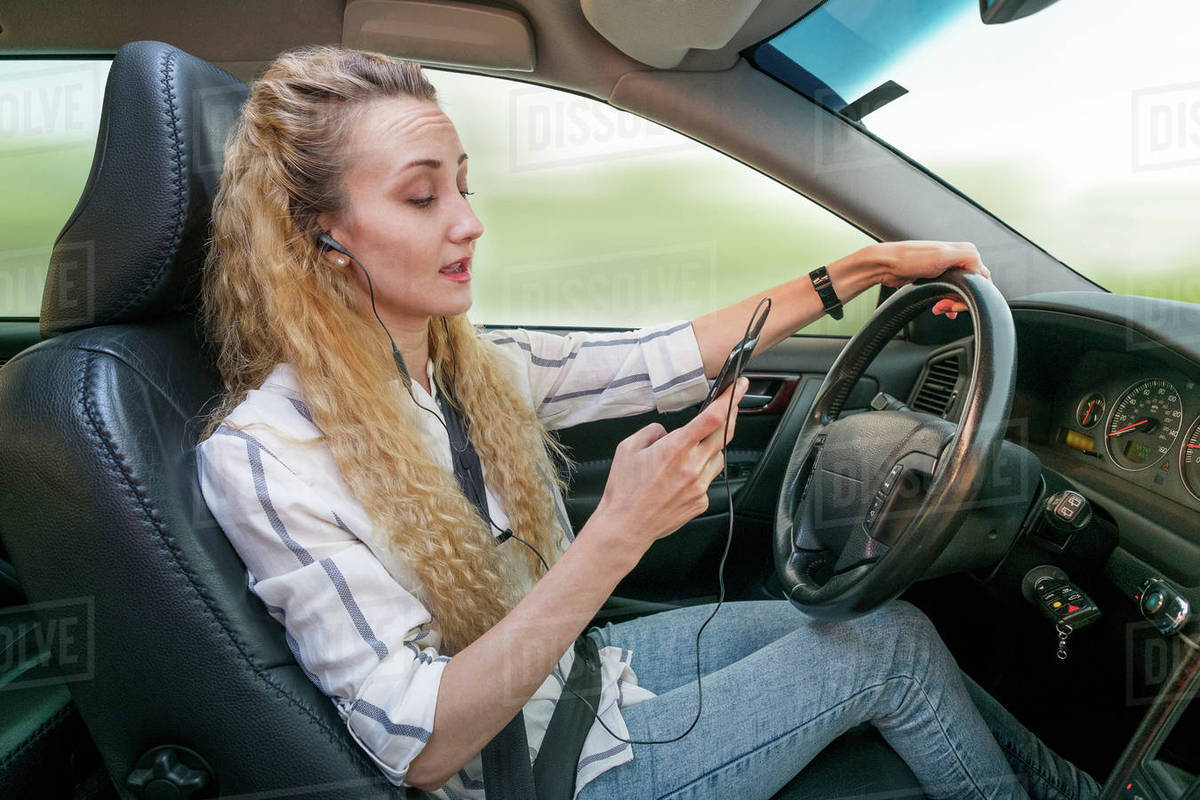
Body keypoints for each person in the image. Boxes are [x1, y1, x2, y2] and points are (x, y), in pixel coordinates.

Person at [195, 45, 1100, 800]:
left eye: (463, 187)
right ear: (319, 236)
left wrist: (856, 273)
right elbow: (421, 746)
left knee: (887, 617)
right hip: (537, 774)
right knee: (888, 651)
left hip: (583, 680)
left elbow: (663, 355)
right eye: (422, 197)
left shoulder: (466, 363)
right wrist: (619, 533)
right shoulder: (266, 456)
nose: (469, 224)